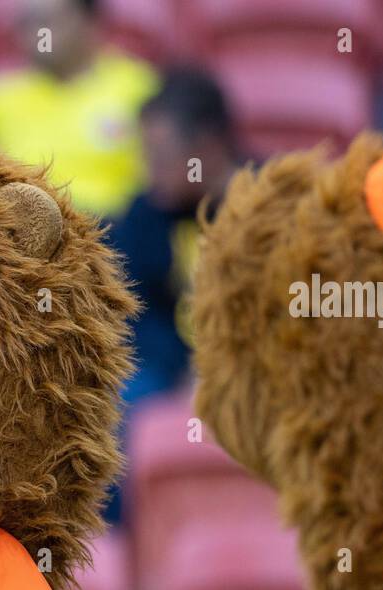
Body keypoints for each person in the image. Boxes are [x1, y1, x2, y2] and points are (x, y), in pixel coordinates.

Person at [101, 67, 242, 524]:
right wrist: (184, 372)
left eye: (161, 156)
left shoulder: (270, 205)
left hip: (256, 371)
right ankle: (118, 550)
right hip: (166, 371)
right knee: (108, 407)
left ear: (207, 146)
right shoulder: (146, 213)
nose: (150, 170)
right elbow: (130, 319)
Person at [0, 0, 159, 218]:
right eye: (27, 23)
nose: (37, 33)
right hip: (32, 235)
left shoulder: (141, 88)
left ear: (89, 22)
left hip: (122, 233)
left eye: (47, 21)